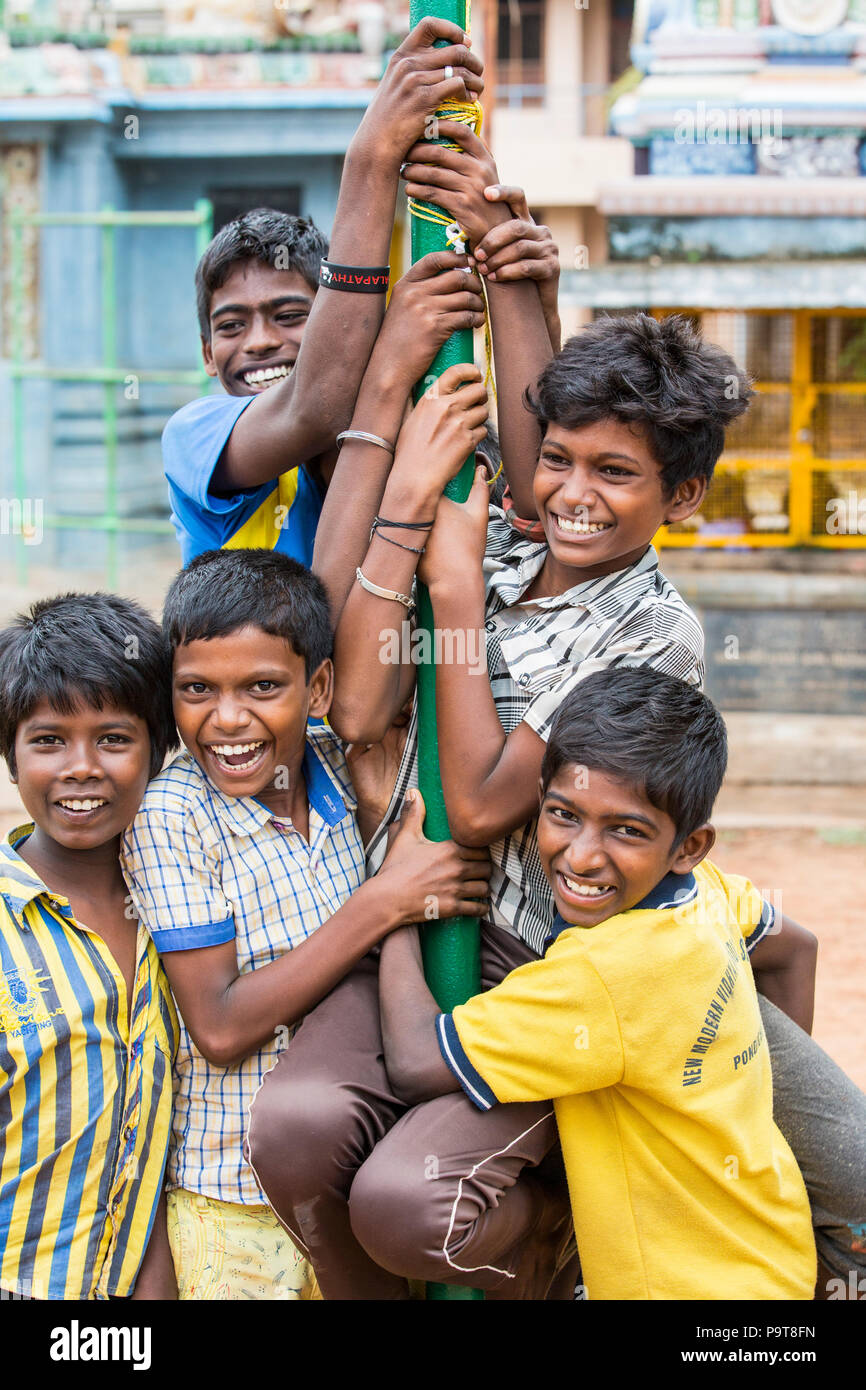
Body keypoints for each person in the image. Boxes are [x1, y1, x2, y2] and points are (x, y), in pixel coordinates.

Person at [246, 311, 752, 1298]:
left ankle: (552, 1248)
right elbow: (359, 702)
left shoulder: (652, 630)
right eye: (557, 460)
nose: (572, 493)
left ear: (679, 495)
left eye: (615, 473)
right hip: (413, 908)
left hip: (540, 958)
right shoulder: (500, 547)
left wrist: (452, 591)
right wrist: (413, 522)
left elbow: (477, 805)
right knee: (292, 1131)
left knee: (412, 1204)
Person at [372, 668, 818, 1301]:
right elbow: (796, 947)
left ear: (689, 846)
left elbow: (418, 1061)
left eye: (626, 830)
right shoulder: (706, 895)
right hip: (773, 1260)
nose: (582, 856)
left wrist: (393, 907)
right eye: (565, 815)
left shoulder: (606, 971)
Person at [119, 547, 491, 1300]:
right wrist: (382, 902)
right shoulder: (175, 814)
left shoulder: (333, 765)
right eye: (197, 690)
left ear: (317, 688)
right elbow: (219, 1027)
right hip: (235, 1203)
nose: (227, 719)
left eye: (262, 686)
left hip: (354, 1183)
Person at [0, 593, 179, 1300]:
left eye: (113, 738)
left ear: (158, 749)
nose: (81, 767)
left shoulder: (184, 920)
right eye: (47, 741)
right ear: (11, 758)